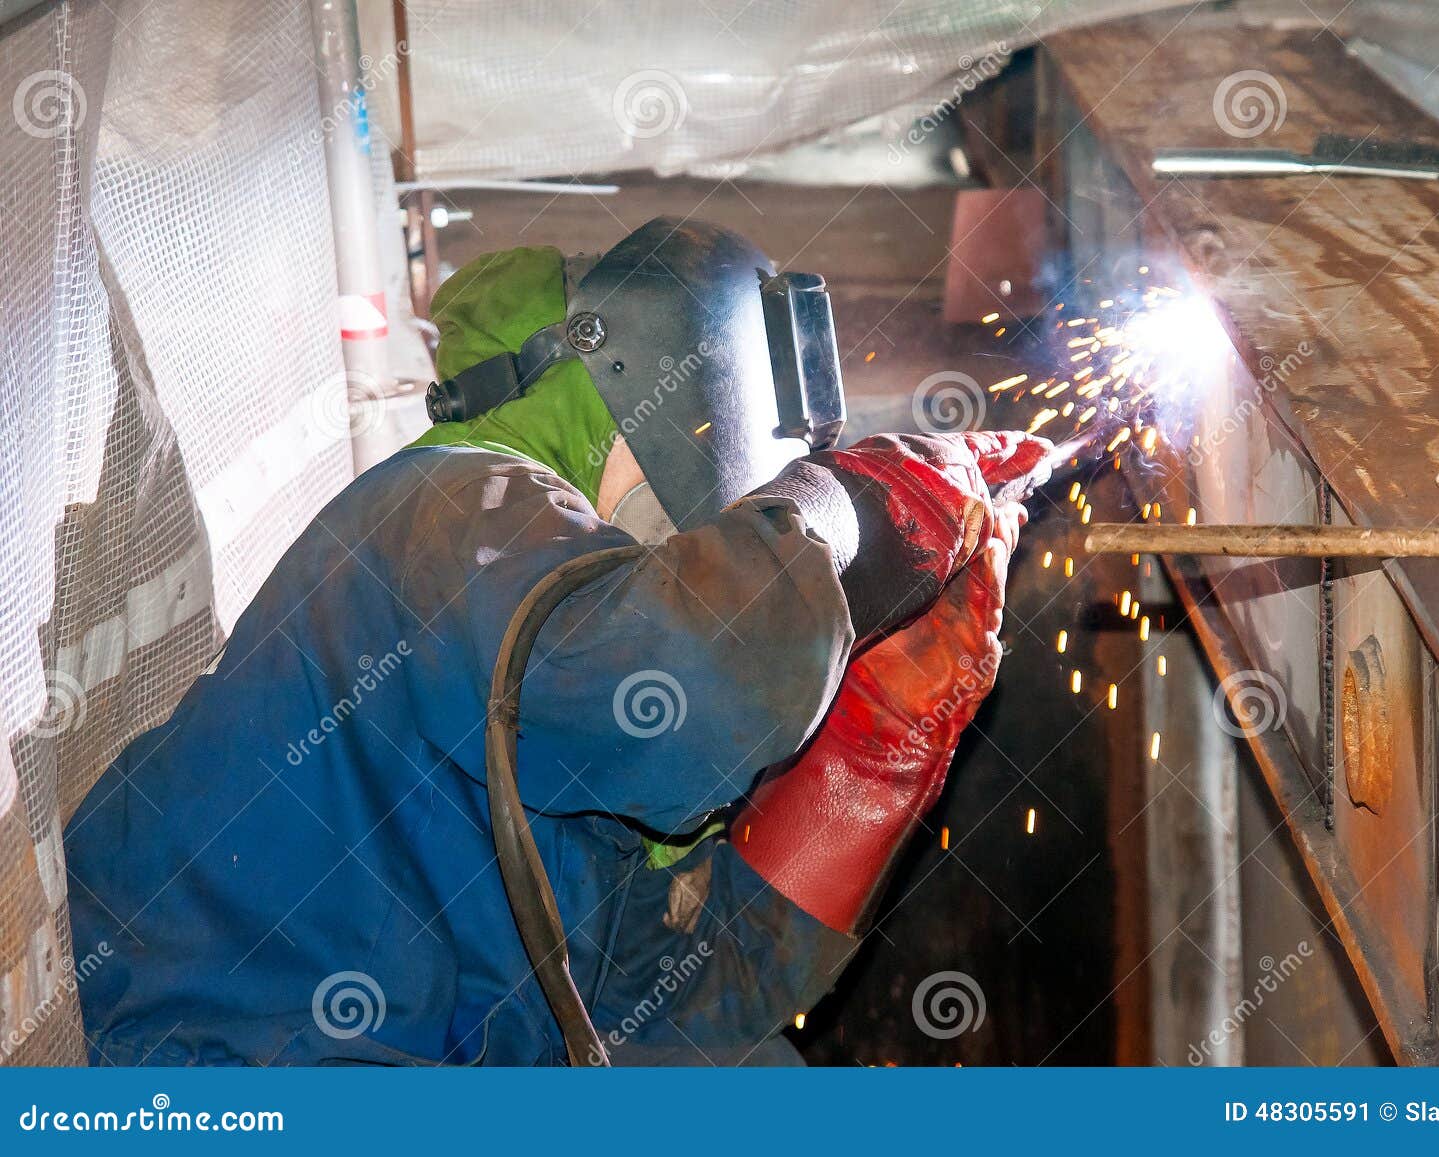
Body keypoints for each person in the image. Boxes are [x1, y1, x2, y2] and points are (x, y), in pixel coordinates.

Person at [65, 218, 1046, 1065]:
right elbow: (697, 679)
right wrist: (859, 504)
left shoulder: (579, 657)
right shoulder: (453, 509)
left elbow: (666, 1007)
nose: (745, 533)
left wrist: (878, 746)